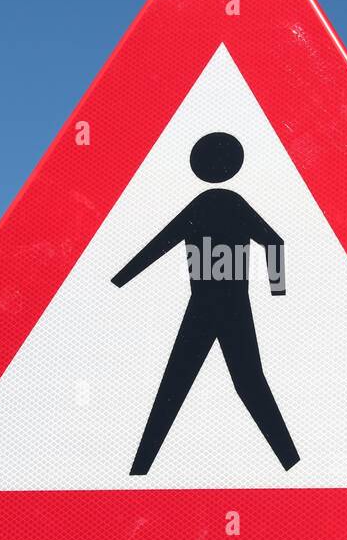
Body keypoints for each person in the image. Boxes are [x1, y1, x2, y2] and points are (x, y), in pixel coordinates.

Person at [112, 132, 300, 476]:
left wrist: (121, 280)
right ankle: (292, 464)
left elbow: (159, 245)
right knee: (243, 383)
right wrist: (277, 289)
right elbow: (274, 241)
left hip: (208, 305)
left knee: (179, 384)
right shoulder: (231, 204)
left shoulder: (207, 205)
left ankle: (139, 471)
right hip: (226, 305)